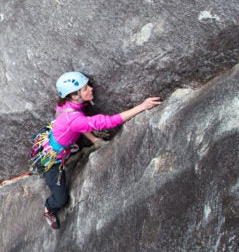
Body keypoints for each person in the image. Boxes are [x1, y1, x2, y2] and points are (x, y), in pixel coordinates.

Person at [40, 71, 162, 229]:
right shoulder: (72, 118)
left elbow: (78, 123)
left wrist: (94, 139)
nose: (91, 89)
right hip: (53, 160)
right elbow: (109, 121)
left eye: (88, 86)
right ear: (75, 96)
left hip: (55, 143)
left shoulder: (66, 105)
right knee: (60, 199)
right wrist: (143, 106)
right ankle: (49, 208)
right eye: (85, 89)